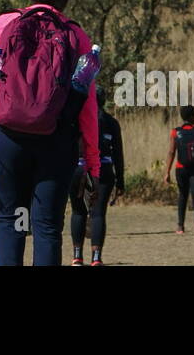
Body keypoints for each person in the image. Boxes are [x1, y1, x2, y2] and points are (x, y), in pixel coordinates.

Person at [0, 0, 100, 266]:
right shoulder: (77, 36)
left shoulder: (2, 26)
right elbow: (87, 106)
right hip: (56, 139)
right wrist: (93, 163)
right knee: (47, 226)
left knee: (11, 221)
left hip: (7, 137)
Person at [70, 84, 124, 265]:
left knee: (78, 212)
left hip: (78, 169)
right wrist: (121, 181)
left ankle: (77, 256)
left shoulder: (76, 119)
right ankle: (96, 257)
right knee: (98, 213)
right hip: (104, 171)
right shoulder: (111, 123)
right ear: (104, 101)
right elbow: (118, 154)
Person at [165, 104, 194, 234]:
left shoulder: (175, 132)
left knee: (182, 196)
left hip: (181, 168)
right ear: (193, 117)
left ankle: (180, 226)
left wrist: (167, 172)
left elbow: (171, 152)